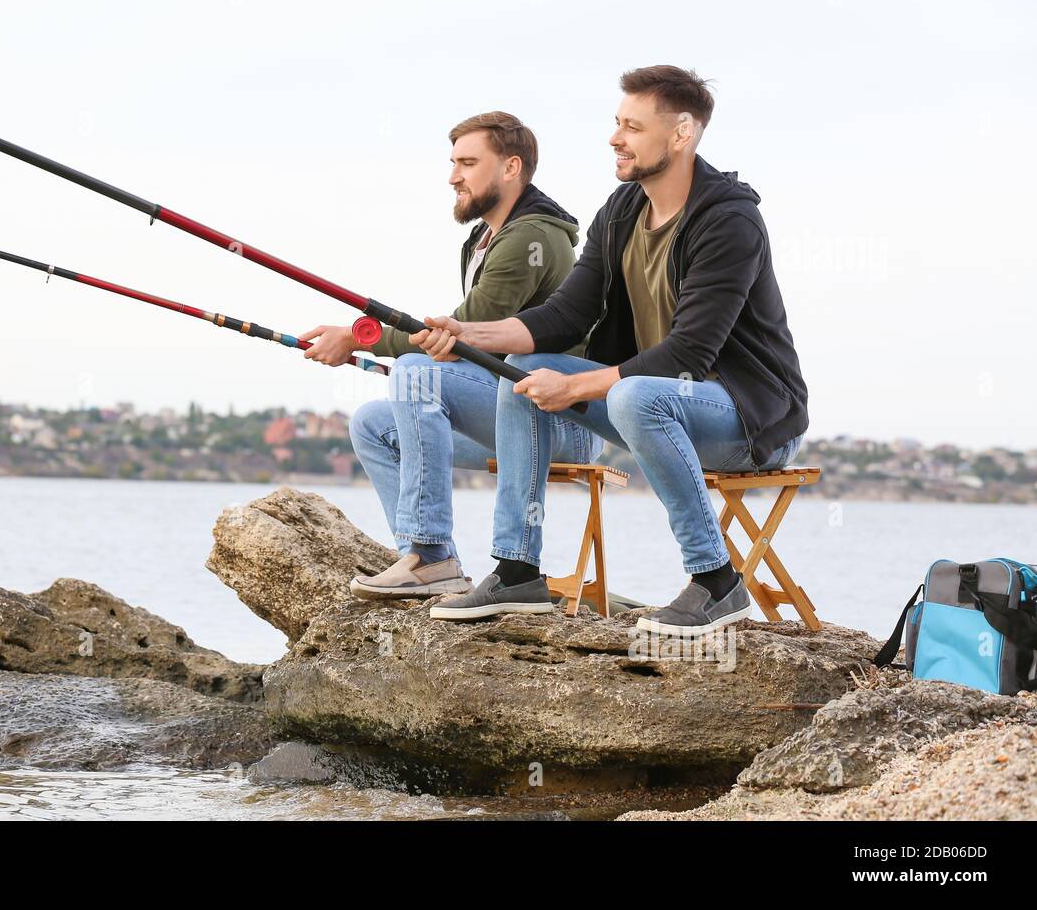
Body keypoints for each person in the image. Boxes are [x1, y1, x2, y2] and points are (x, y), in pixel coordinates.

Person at [415, 66, 809, 634]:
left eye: (632, 126)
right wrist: (466, 333)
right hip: (657, 403)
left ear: (681, 135)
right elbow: (564, 316)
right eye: (616, 123)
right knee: (526, 369)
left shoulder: (729, 221)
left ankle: (717, 581)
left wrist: (574, 388)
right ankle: (518, 570)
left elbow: (687, 355)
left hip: (751, 419)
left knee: (632, 398)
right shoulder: (623, 210)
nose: (615, 138)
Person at [299, 112, 594, 599]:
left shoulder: (530, 238)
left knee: (417, 372)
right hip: (509, 410)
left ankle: (430, 554)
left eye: (469, 163)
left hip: (564, 422)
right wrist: (361, 337)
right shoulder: (484, 239)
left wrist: (357, 336)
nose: (454, 176)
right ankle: (429, 560)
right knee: (373, 424)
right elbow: (455, 343)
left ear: (510, 168)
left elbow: (459, 341)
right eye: (453, 162)